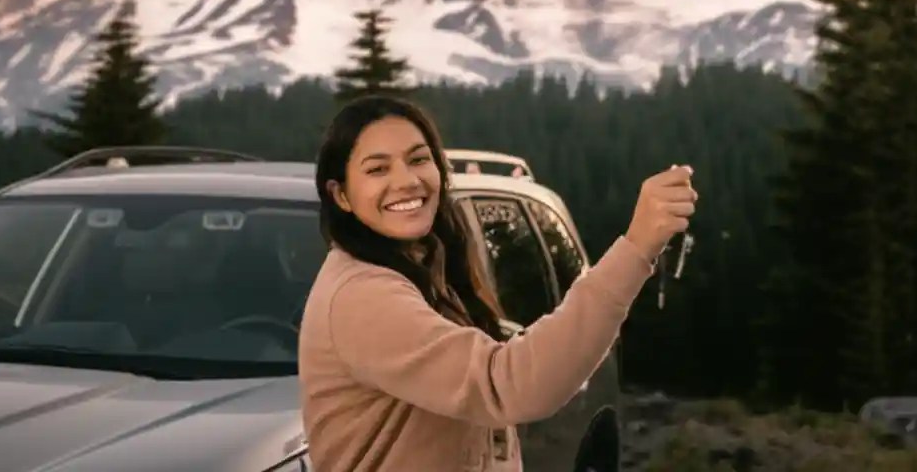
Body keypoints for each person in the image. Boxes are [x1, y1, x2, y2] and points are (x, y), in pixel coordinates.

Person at [298, 94, 697, 471]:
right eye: (377, 169)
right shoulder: (363, 296)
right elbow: (507, 383)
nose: (406, 181)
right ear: (342, 195)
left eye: (419, 159)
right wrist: (636, 248)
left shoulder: (422, 271)